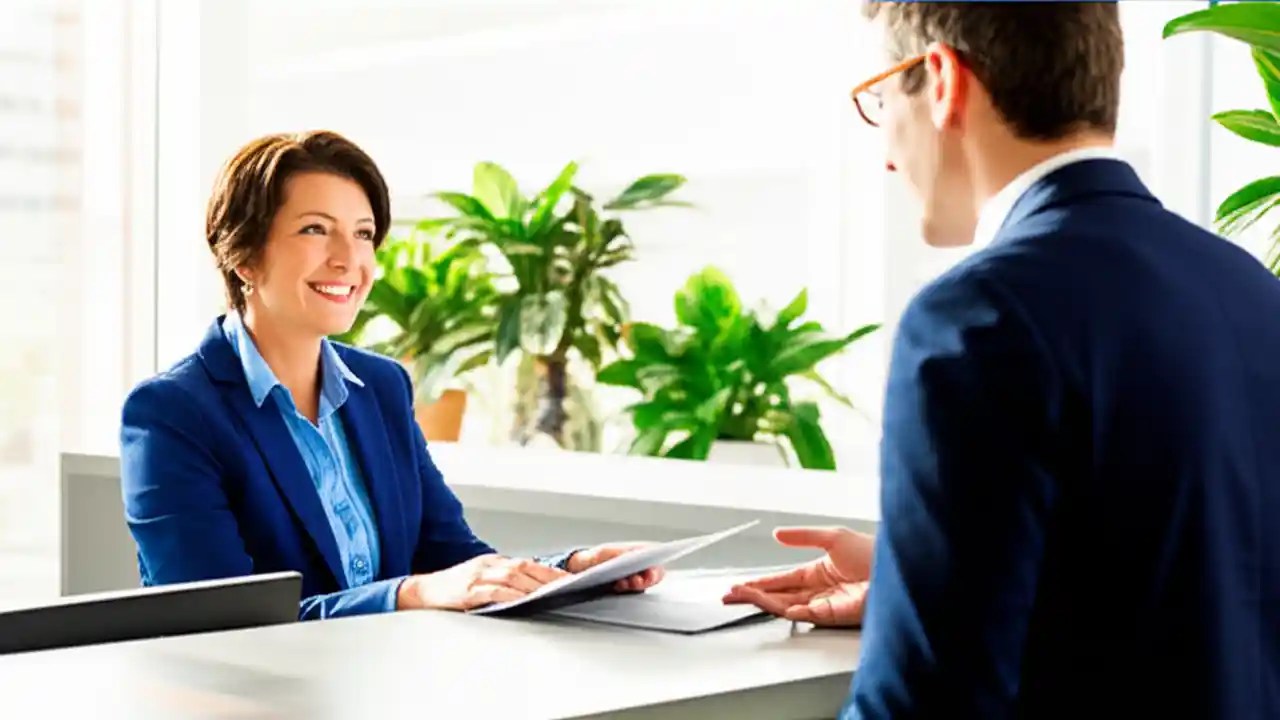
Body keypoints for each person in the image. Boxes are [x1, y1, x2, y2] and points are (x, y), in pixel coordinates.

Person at [726, 2, 1280, 718]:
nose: (886, 153)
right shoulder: (1248, 287)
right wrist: (914, 580)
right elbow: (1182, 588)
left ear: (945, 80)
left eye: (882, 100)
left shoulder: (978, 316)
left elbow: (925, 707)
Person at [120, 130, 663, 621]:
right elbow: (216, 622)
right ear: (243, 256)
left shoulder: (380, 386)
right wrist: (409, 595)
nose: (348, 259)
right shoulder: (172, 413)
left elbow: (450, 556)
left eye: (363, 234)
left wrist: (576, 570)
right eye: (315, 230)